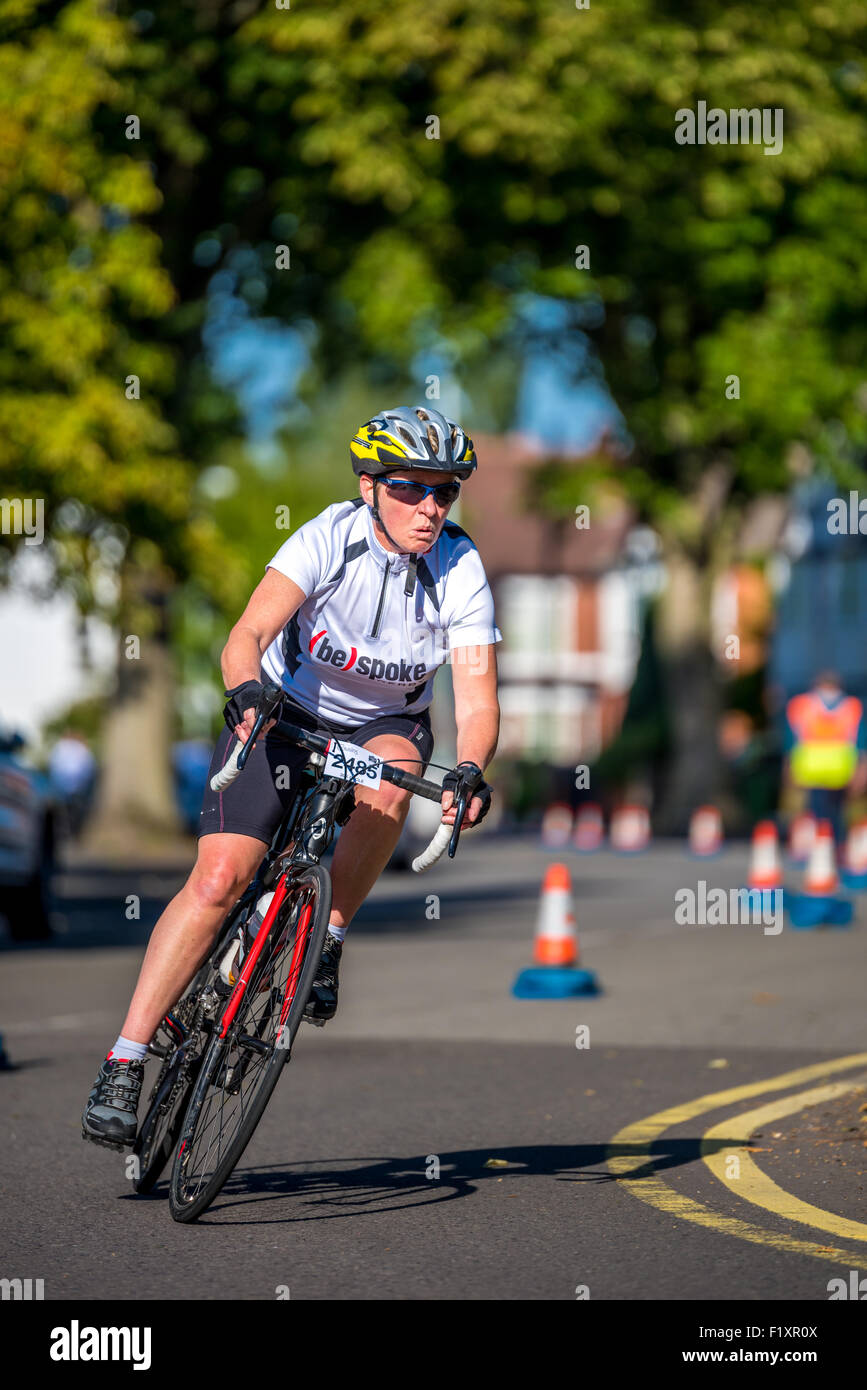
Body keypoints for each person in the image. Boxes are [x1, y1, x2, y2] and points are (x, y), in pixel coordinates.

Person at [82, 405, 502, 1149]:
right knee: (219, 881)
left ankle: (328, 932)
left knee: (399, 770)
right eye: (411, 488)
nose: (430, 508)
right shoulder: (326, 538)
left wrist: (470, 768)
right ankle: (125, 1060)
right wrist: (246, 692)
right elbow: (246, 635)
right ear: (369, 485)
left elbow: (476, 695)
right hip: (286, 714)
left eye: (445, 493)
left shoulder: (458, 568)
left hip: (384, 727)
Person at [784, 670, 867, 846]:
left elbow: (860, 741)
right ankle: (827, 846)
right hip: (821, 771)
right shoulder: (803, 705)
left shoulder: (850, 707)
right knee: (823, 811)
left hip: (829, 771)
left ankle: (830, 846)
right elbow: (793, 740)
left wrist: (862, 769)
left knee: (831, 812)